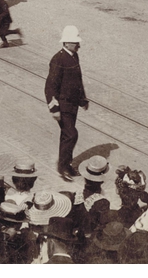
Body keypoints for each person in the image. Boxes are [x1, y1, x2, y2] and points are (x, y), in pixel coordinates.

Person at [44, 25, 89, 181]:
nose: (79, 45)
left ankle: (66, 165)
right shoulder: (58, 59)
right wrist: (54, 108)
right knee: (71, 134)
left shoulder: (74, 56)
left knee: (66, 135)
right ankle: (62, 167)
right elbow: (50, 86)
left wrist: (82, 100)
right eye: (76, 43)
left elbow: (77, 81)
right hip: (62, 106)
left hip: (73, 105)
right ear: (67, 43)